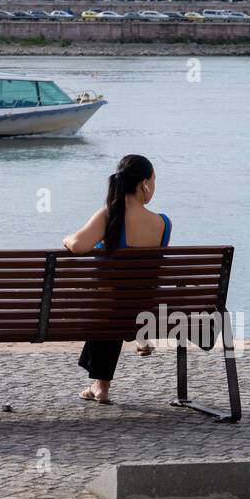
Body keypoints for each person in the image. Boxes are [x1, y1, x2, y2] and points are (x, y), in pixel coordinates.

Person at [62, 154, 170, 405]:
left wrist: (66, 238)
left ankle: (101, 387)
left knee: (106, 305)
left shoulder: (110, 215)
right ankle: (139, 335)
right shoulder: (163, 224)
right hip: (144, 307)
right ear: (144, 184)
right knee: (115, 302)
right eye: (154, 181)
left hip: (111, 309)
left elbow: (78, 246)